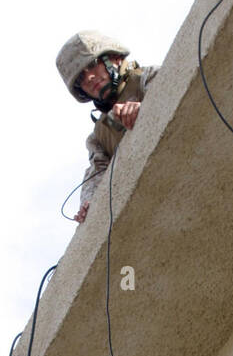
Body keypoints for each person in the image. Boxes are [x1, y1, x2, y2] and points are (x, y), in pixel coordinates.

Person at [56, 30, 159, 222]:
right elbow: (95, 175)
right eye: (80, 79)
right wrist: (88, 205)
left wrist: (145, 109)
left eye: (92, 65)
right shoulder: (99, 138)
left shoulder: (148, 77)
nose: (89, 78)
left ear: (115, 58)